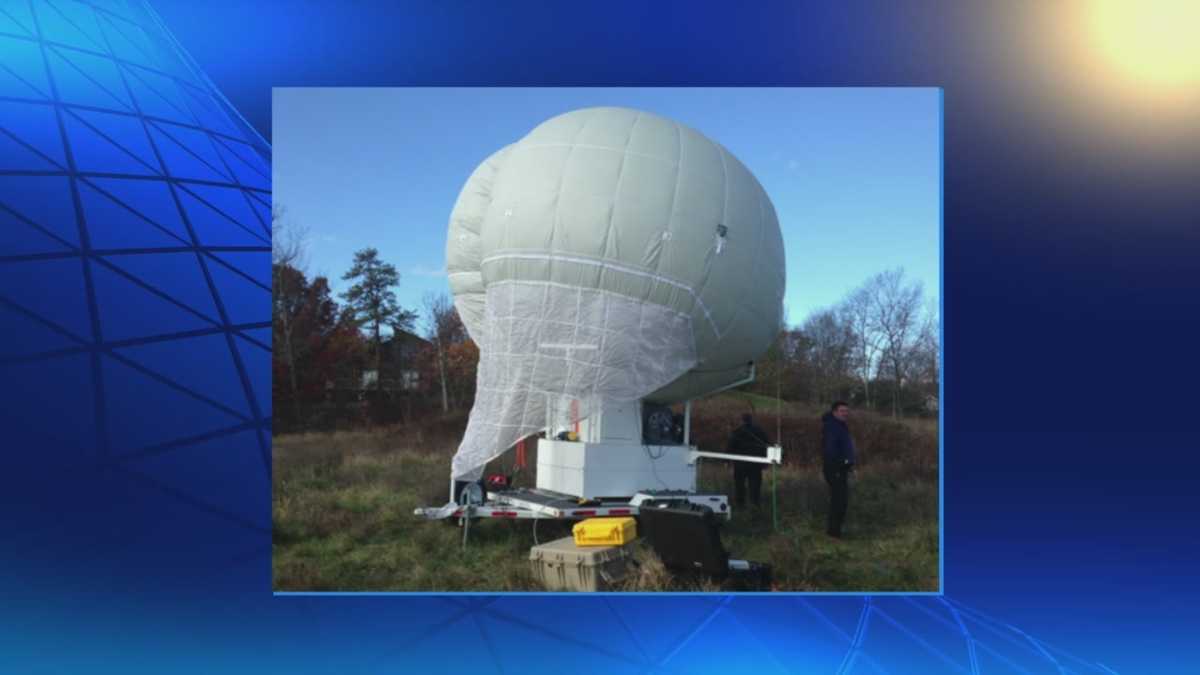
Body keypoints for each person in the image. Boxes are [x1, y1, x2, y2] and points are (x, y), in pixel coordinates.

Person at [821, 401, 856, 538]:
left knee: (841, 499)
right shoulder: (832, 427)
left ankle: (836, 530)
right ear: (834, 412)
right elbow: (830, 449)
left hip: (842, 468)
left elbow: (844, 447)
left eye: (846, 411)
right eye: (842, 411)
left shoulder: (841, 425)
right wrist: (842, 463)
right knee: (839, 500)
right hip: (834, 467)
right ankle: (833, 532)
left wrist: (849, 464)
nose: (845, 413)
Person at [727, 413, 770, 508]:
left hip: (740, 465)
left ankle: (740, 505)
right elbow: (767, 445)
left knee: (740, 486)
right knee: (755, 485)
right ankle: (755, 504)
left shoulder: (737, 432)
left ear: (742, 421)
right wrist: (765, 462)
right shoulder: (759, 431)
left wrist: (727, 461)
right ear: (751, 420)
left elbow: (730, 447)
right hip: (755, 464)